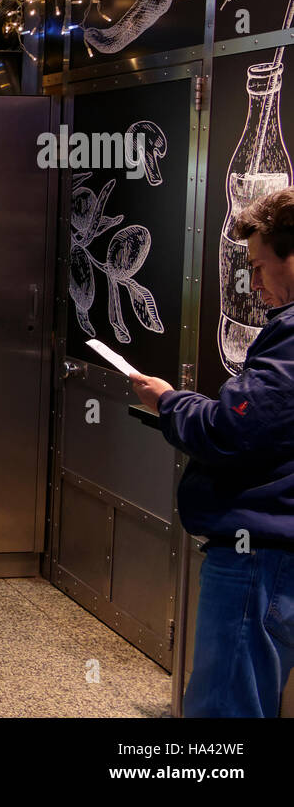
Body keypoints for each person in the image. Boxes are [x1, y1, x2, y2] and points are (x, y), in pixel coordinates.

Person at [131, 187, 294, 718]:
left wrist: (171, 404)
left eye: (261, 266)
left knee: (226, 706)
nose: (257, 283)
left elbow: (232, 432)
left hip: (260, 553)